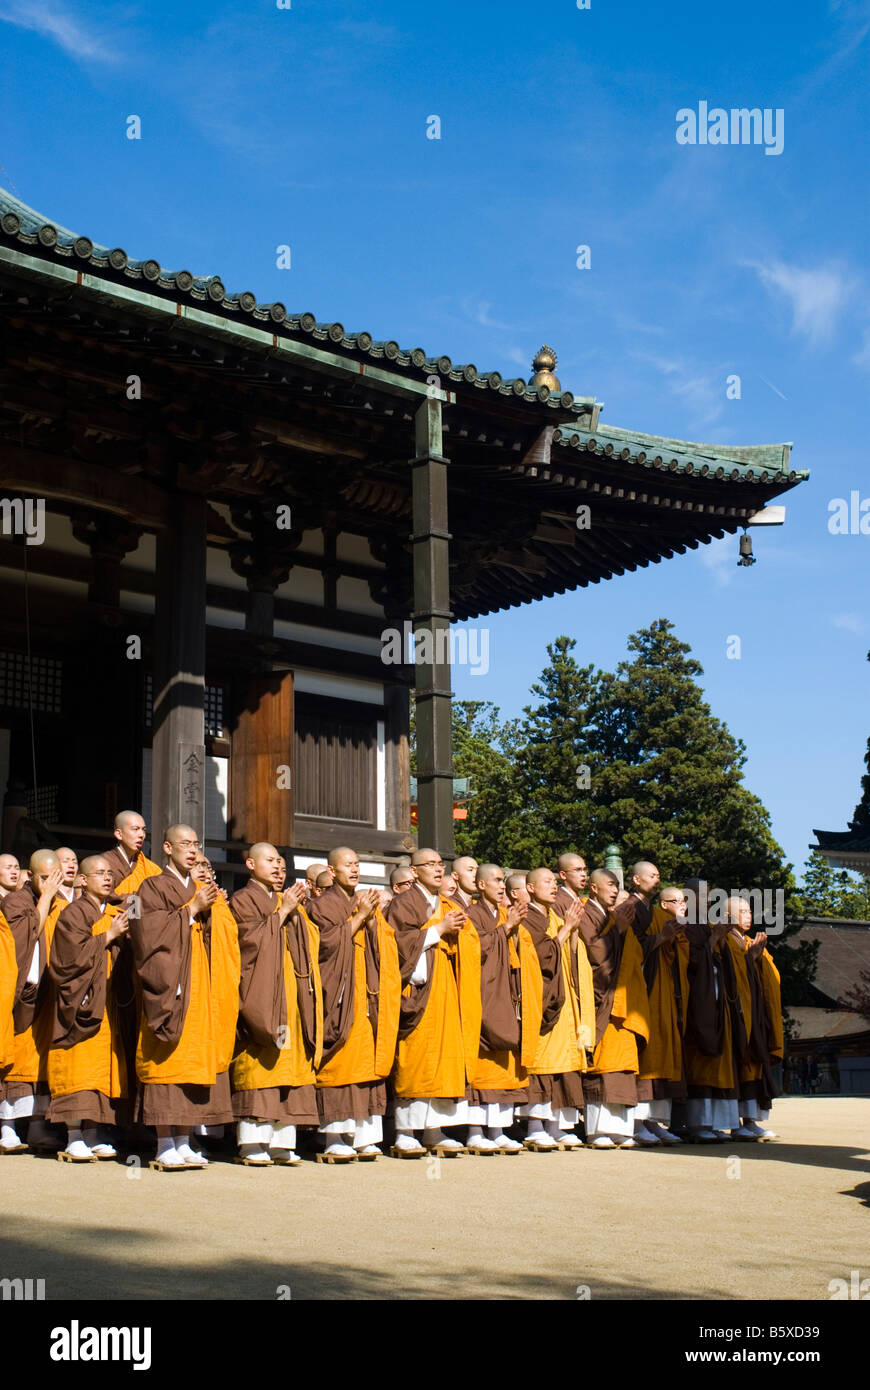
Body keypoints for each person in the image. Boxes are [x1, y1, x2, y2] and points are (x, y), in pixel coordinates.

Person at [128, 824, 240, 1170]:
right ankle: (164, 1142)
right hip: (170, 984)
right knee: (169, 1057)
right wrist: (191, 910)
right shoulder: (150, 886)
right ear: (167, 848)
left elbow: (221, 935)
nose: (192, 850)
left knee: (194, 1058)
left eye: (196, 844)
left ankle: (184, 1138)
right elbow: (143, 933)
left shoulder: (200, 886)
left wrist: (212, 907)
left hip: (200, 982)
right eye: (185, 844)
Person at [307, 847, 401, 1160]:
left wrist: (372, 921)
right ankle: (335, 1136)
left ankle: (365, 1135)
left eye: (358, 864)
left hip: (366, 993)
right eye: (348, 865)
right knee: (342, 1063)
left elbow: (384, 944)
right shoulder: (321, 905)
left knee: (366, 1062)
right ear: (332, 872)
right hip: (340, 994)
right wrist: (361, 916)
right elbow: (325, 945)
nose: (355, 869)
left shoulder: (362, 900)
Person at [230, 843, 322, 1166]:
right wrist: (282, 913)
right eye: (270, 861)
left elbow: (310, 942)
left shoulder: (286, 901)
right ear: (251, 864)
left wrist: (295, 913)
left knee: (291, 1063)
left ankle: (283, 1140)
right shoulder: (242, 900)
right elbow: (245, 943)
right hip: (262, 998)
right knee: (261, 1063)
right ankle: (253, 1141)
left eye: (281, 863)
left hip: (291, 996)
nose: (278, 868)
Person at [386, 849, 481, 1156]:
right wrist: (439, 929)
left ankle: (435, 1131)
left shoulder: (447, 904)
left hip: (446, 987)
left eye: (441, 864)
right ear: (414, 872)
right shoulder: (404, 903)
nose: (438, 869)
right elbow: (396, 945)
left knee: (444, 1058)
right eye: (430, 865)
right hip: (420, 990)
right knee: (416, 1058)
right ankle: (405, 1132)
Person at [47, 856, 130, 1161]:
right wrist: (108, 935)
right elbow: (66, 961)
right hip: (80, 1002)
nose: (107, 878)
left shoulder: (113, 911)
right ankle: (73, 1136)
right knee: (78, 1066)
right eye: (100, 874)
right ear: (82, 880)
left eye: (110, 874)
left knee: (100, 1067)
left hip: (105, 1001)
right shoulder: (74, 914)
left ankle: (94, 1133)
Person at [464, 864, 543, 1153]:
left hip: (506, 994)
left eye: (502, 881)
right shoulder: (472, 914)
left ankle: (497, 1130)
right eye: (496, 880)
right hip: (484, 996)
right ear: (480, 885)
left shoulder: (502, 913)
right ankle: (474, 1131)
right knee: (483, 1065)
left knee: (504, 1067)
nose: (501, 885)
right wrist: (506, 928)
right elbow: (473, 950)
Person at [578, 868, 650, 1148]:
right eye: (609, 885)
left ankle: (621, 1129)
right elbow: (594, 953)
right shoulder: (587, 913)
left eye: (616, 886)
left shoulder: (611, 917)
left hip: (623, 1004)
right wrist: (618, 929)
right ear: (593, 888)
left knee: (622, 1066)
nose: (613, 890)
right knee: (605, 1066)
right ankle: (598, 1131)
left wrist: (620, 927)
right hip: (603, 1002)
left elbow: (635, 957)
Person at [519, 867, 590, 1150]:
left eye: (554, 882)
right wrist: (565, 931)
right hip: (543, 1001)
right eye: (547, 882)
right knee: (542, 1062)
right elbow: (539, 956)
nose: (553, 886)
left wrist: (570, 930)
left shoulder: (556, 917)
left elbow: (570, 959)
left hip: (564, 1000)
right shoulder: (527, 919)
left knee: (565, 1062)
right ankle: (535, 1126)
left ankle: (558, 1126)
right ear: (530, 888)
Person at [0, 850, 65, 1152]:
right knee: (13, 1062)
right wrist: (46, 898)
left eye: (56, 877)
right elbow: (23, 937)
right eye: (44, 878)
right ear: (31, 876)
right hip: (19, 995)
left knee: (40, 1065)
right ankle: (7, 1128)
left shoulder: (59, 904)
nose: (51, 884)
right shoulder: (15, 901)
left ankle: (38, 1126)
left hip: (46, 996)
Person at [613, 861, 675, 1144]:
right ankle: (636, 1122)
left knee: (656, 1052)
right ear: (636, 880)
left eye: (658, 875)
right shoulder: (632, 907)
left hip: (655, 984)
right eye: (651, 875)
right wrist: (660, 939)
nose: (657, 878)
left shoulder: (653, 911)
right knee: (641, 1052)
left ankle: (651, 1120)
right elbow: (628, 944)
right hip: (637, 984)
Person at [103, 812, 162, 894]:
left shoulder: (151, 869)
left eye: (143, 830)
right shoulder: (103, 863)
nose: (141, 835)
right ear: (119, 834)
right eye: (135, 829)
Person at [554, 853, 588, 919]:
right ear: (563, 875)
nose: (584, 874)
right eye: (578, 870)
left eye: (584, 869)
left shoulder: (582, 901)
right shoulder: (556, 902)